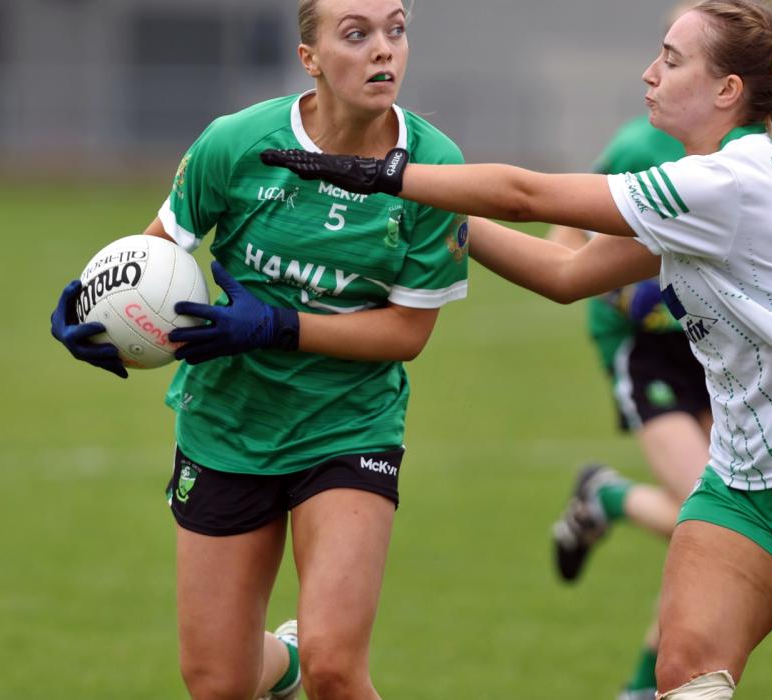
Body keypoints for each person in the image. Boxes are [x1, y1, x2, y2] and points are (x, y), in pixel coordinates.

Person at [262, 2, 772, 698]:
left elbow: (526, 196)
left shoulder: (729, 184)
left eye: (672, 60)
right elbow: (564, 274)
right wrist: (427, 213)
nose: (650, 74)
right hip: (746, 478)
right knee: (683, 673)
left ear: (727, 90)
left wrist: (386, 173)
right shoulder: (693, 192)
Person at [50, 0, 469, 698]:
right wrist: (95, 313)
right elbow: (156, 253)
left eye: (396, 29)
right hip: (228, 424)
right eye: (357, 34)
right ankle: (287, 663)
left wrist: (278, 325)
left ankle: (312, 662)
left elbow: (406, 334)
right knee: (219, 682)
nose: (383, 50)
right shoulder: (237, 144)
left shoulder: (434, 168)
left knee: (338, 669)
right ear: (310, 59)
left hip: (349, 423)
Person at [548, 107, 772, 700]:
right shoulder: (639, 144)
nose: (657, 73)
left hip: (717, 351)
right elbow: (564, 238)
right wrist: (622, 290)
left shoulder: (758, 158)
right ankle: (643, 684)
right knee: (709, 517)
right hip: (644, 352)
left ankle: (608, 497)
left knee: (723, 521)